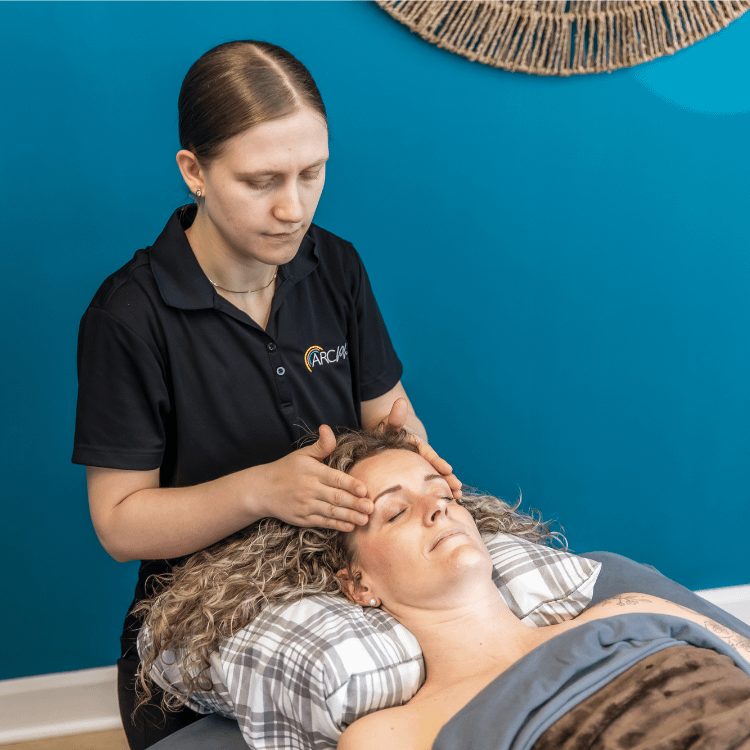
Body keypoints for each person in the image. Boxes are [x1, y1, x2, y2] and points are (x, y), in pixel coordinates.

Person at [71, 40, 460, 750]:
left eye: (312, 173)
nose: (294, 207)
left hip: (349, 575)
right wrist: (261, 491)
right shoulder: (129, 317)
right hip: (203, 616)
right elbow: (120, 525)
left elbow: (389, 414)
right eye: (262, 181)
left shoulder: (334, 265)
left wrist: (414, 460)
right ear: (195, 171)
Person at [132, 428, 750, 749]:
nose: (437, 511)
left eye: (441, 493)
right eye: (395, 513)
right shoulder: (388, 733)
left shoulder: (626, 608)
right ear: (358, 583)